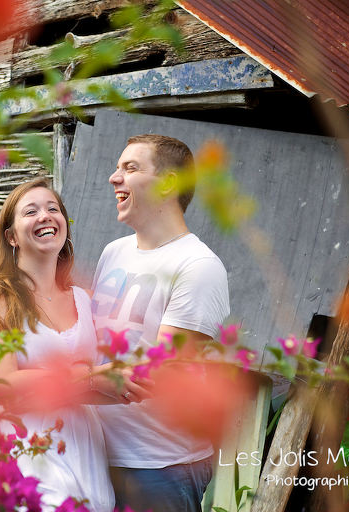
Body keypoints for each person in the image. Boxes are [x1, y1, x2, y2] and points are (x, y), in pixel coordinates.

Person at [0, 178, 149, 512]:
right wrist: (91, 377)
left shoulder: (83, 298)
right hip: (30, 448)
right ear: (11, 237)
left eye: (53, 209)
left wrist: (124, 387)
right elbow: (0, 383)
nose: (46, 216)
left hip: (85, 447)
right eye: (31, 211)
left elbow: (83, 387)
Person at [91, 134, 231, 512]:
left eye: (130, 168)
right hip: (95, 454)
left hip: (160, 466)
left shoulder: (197, 266)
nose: (113, 177)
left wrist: (66, 382)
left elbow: (159, 370)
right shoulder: (113, 252)